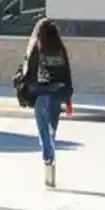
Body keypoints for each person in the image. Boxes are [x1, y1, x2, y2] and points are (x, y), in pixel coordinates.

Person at [21, 17, 73, 188]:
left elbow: (29, 72)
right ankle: (50, 167)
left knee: (43, 130)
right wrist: (68, 96)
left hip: (42, 94)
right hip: (57, 94)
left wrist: (25, 91)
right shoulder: (60, 50)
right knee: (52, 130)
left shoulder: (37, 49)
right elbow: (67, 74)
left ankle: (48, 159)